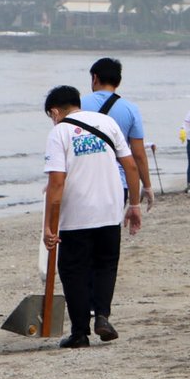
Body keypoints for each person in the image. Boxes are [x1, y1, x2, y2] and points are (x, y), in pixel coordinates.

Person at [43, 84, 143, 349]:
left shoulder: (59, 132)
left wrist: (49, 226)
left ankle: (79, 333)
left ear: (54, 111)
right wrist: (134, 203)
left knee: (74, 271)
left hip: (76, 215)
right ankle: (102, 315)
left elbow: (56, 185)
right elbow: (130, 166)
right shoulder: (107, 123)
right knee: (105, 266)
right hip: (110, 210)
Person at [82, 57, 153, 211]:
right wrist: (146, 186)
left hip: (83, 180)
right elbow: (138, 154)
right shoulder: (130, 109)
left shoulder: (78, 105)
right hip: (117, 182)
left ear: (95, 78)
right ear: (118, 82)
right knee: (110, 229)